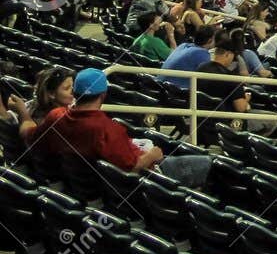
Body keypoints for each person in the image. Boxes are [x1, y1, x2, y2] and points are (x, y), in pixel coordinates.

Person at [29, 68, 212, 188]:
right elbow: (130, 170)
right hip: (149, 178)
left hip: (90, 185)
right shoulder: (106, 129)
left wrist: (21, 115)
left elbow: (30, 136)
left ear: (76, 93)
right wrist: (153, 155)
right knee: (213, 165)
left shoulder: (56, 116)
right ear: (103, 95)